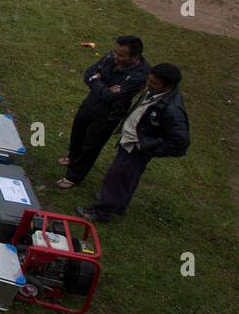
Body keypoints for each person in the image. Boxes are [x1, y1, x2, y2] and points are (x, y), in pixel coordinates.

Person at [78, 63, 189, 223]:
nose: (149, 85)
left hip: (137, 148)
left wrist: (151, 148)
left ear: (169, 86)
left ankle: (101, 212)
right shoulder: (156, 93)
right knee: (129, 177)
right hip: (131, 142)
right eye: (149, 80)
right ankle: (119, 204)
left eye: (154, 83)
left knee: (116, 178)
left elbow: (181, 142)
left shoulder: (173, 110)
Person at [57, 35, 150, 189]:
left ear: (134, 57)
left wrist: (98, 80)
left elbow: (111, 97)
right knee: (78, 133)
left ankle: (74, 176)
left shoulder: (139, 75)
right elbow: (89, 73)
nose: (115, 56)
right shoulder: (111, 57)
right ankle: (72, 158)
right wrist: (102, 85)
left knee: (91, 145)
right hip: (91, 102)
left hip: (108, 114)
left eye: (120, 55)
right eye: (115, 52)